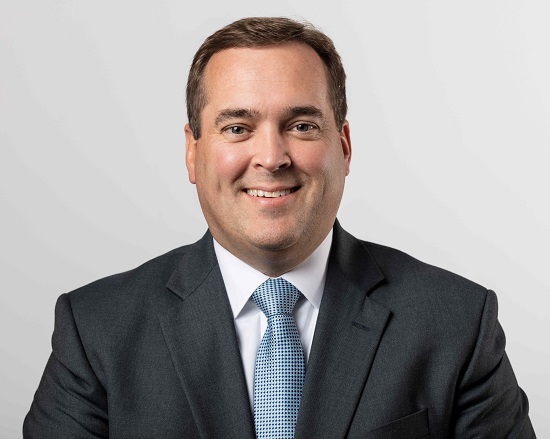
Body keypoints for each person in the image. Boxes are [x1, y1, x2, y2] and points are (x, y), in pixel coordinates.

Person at [24, 17, 535, 438]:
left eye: (302, 126)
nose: (271, 157)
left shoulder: (456, 324)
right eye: (237, 128)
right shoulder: (96, 331)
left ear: (345, 147)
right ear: (193, 152)